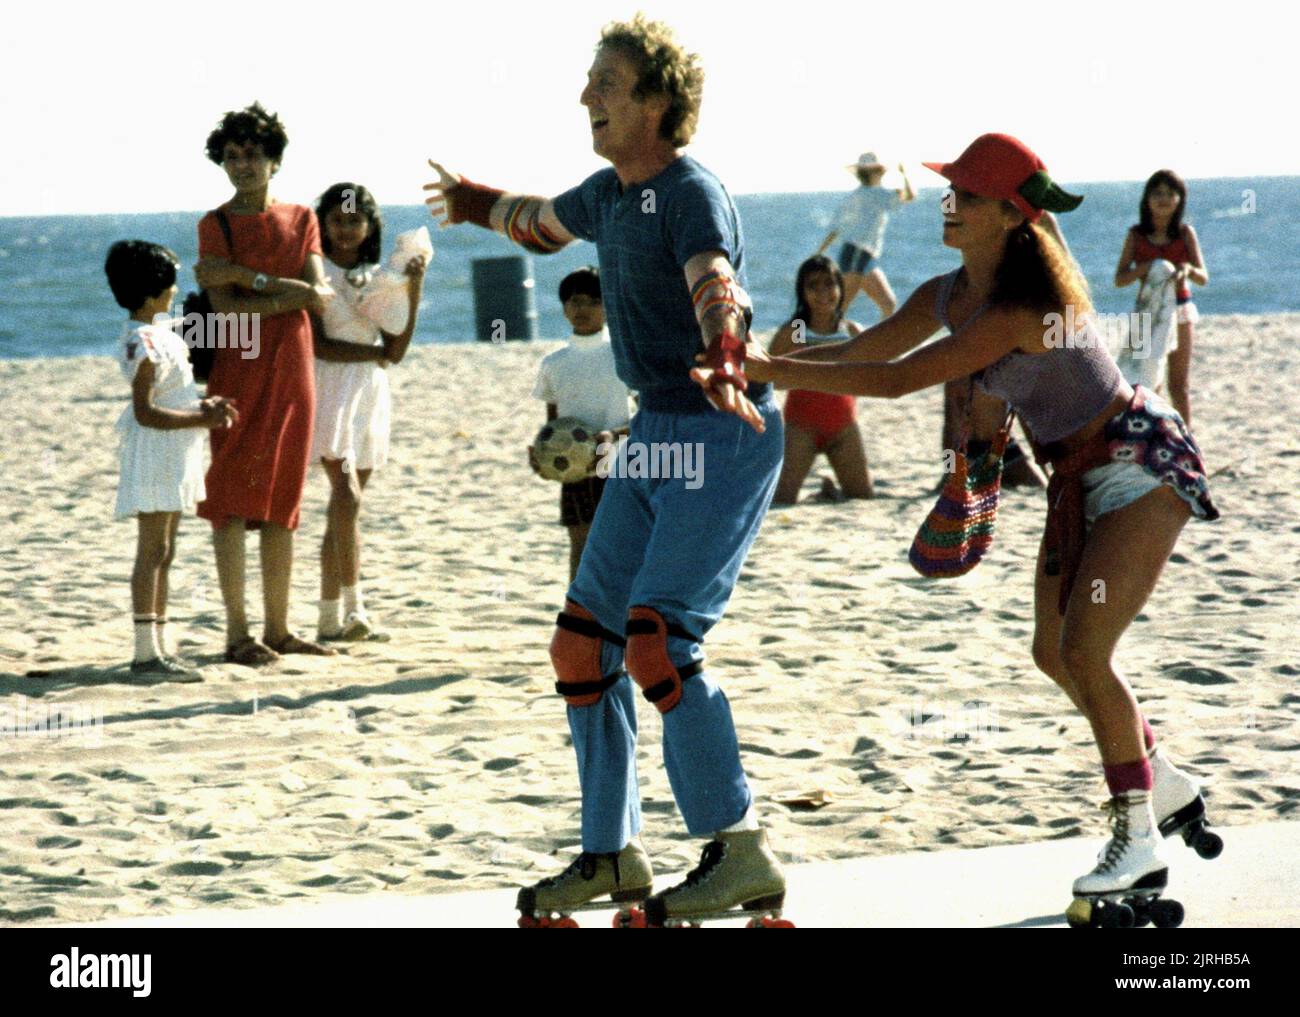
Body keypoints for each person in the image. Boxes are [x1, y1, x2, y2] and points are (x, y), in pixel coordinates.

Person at [711, 134, 1220, 908]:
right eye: (955, 190)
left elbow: (897, 379)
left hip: (1140, 466)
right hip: (1074, 479)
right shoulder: (947, 294)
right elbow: (870, 346)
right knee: (1055, 652)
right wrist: (763, 355)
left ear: (1013, 216)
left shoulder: (1027, 306)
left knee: (1086, 648)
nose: (952, 201)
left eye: (971, 195)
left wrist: (762, 369)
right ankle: (1164, 782)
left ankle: (1138, 842)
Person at [425, 14, 788, 927]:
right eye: (590, 83)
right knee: (583, 647)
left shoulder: (691, 191)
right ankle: (613, 853)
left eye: (606, 84)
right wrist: (473, 203)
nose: (586, 96)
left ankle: (738, 847)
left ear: (657, 103)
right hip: (653, 428)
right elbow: (541, 225)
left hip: (721, 425)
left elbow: (716, 280)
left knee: (659, 639)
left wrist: (726, 349)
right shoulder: (609, 193)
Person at [193, 102, 337, 666]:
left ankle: (278, 629)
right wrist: (275, 292)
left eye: (253, 155)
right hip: (238, 364)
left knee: (283, 497)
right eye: (232, 157)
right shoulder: (216, 223)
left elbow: (318, 295)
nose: (243, 166)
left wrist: (249, 280)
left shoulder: (303, 216)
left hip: (293, 363)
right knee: (228, 496)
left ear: (273, 160)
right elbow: (225, 310)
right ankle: (236, 634)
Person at [106, 241, 238, 680]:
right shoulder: (144, 341)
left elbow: (174, 393)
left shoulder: (159, 335)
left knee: (166, 548)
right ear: (153, 291)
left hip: (175, 449)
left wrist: (205, 404)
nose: (176, 290)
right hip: (157, 450)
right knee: (153, 549)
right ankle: (146, 652)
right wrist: (201, 416)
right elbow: (145, 411)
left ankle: (157, 644)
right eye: (169, 283)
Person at [311, 182, 429, 642]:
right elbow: (318, 344)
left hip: (369, 391)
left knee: (344, 511)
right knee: (349, 496)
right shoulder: (315, 273)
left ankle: (326, 618)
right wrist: (373, 355)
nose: (345, 229)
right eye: (337, 220)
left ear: (369, 225)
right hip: (329, 386)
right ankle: (356, 609)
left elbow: (396, 347)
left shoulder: (379, 277)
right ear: (324, 223)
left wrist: (414, 287)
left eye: (354, 219)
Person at [530, 267, 633, 582]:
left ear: (608, 306)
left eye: (593, 301)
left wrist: (613, 435)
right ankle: (582, 621)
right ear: (563, 308)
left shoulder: (624, 355)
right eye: (575, 301)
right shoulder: (553, 364)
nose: (582, 309)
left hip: (622, 465)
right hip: (575, 469)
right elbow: (553, 423)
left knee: (623, 545)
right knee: (580, 544)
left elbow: (650, 413)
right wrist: (542, 455)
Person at [769, 256, 873, 503]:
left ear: (840, 287)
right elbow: (768, 376)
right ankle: (824, 492)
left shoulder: (851, 331)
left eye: (829, 284)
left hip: (844, 428)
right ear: (802, 292)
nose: (822, 292)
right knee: (782, 499)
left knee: (863, 497)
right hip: (800, 428)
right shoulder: (796, 330)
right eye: (813, 286)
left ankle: (828, 493)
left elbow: (876, 372)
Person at [1114, 170, 1208, 428]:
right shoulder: (1136, 235)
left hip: (1179, 309)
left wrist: (1187, 270)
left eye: (1170, 193)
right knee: (1147, 381)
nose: (1164, 199)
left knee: (1179, 385)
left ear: (1180, 199)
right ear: (1147, 199)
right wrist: (1146, 268)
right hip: (1149, 312)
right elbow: (1120, 278)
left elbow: (1203, 276)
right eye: (1158, 193)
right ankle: (1154, 438)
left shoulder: (1185, 233)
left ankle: (1186, 442)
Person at [815, 152, 914, 319]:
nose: (882, 173)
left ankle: (873, 344)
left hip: (859, 254)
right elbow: (910, 196)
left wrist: (819, 252)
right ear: (875, 172)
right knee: (844, 308)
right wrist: (904, 175)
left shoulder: (855, 196)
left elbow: (835, 229)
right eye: (879, 171)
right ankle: (824, 340)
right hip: (859, 254)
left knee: (886, 304)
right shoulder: (878, 195)